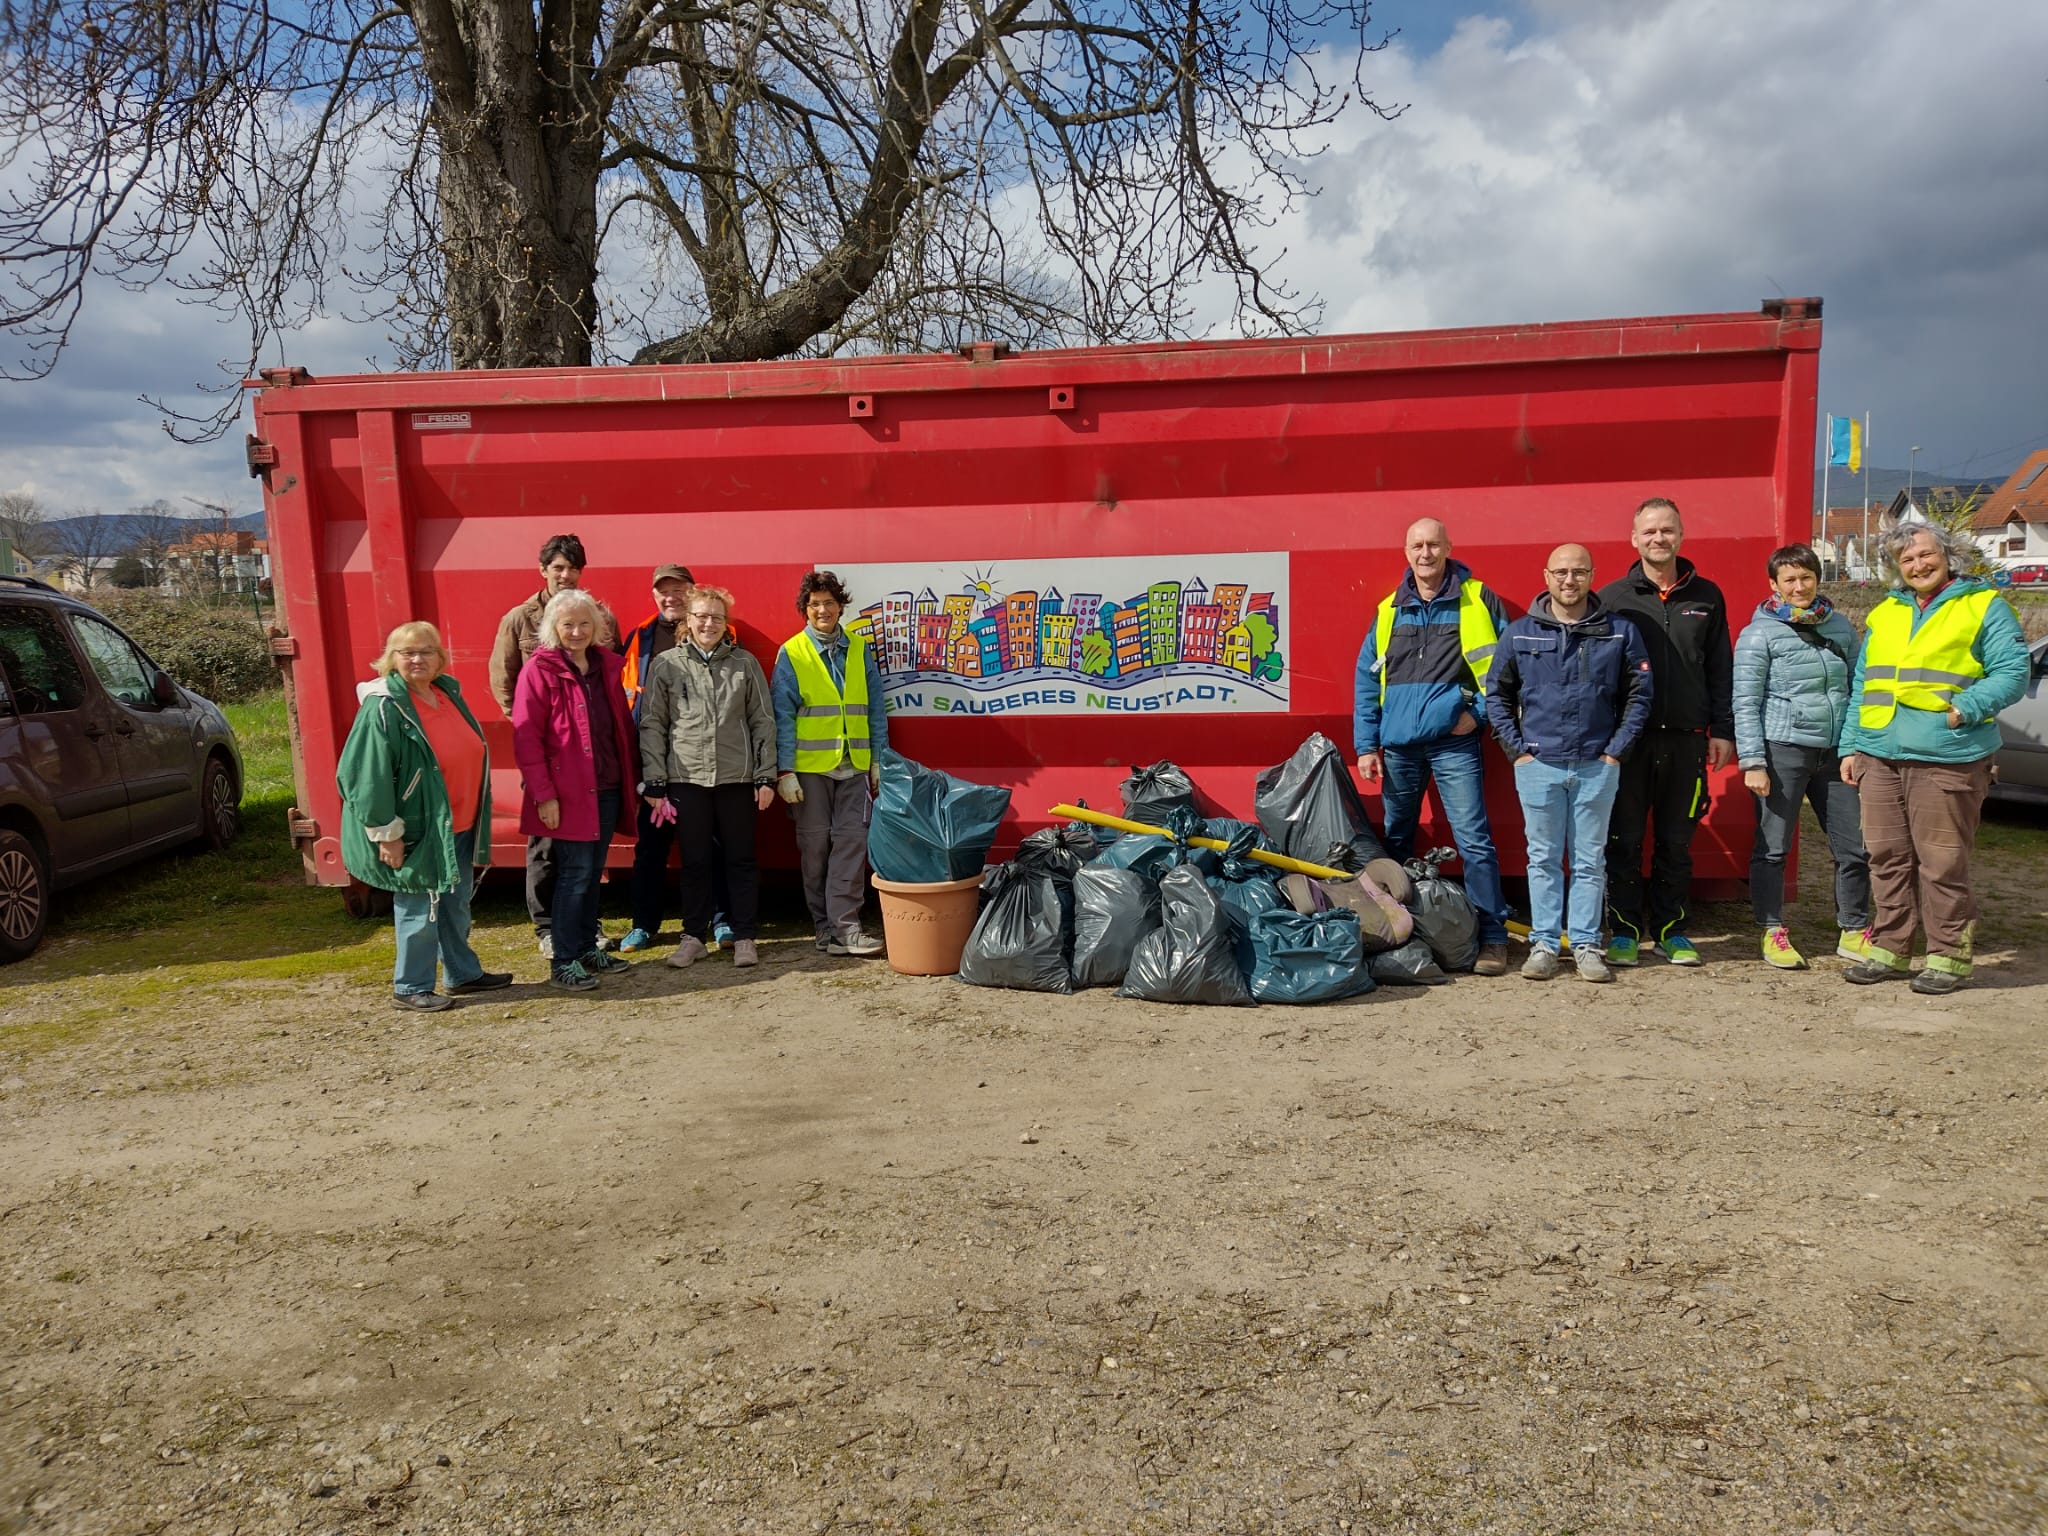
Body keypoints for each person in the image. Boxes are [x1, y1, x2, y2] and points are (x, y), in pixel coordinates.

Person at [1839, 522, 2029, 994]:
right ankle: (1890, 947)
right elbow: (1864, 683)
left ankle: (1948, 955)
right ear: (1896, 567)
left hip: (1948, 754)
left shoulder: (1983, 605)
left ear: (1948, 555)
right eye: (1907, 559)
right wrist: (1850, 745)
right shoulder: (1886, 612)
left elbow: (2013, 672)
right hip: (1879, 752)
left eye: (1926, 554)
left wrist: (1967, 707)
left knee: (1942, 863)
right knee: (1885, 856)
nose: (1918, 564)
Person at [1353, 517, 1513, 975]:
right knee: (1396, 843)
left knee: (1474, 841)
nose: (1426, 553)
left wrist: (1477, 716)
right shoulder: (1389, 610)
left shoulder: (1476, 598)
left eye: (1433, 545)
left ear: (1448, 548)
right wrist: (1367, 745)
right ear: (1406, 552)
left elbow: (1507, 670)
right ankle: (1399, 935)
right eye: (1417, 546)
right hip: (1399, 748)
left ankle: (1493, 939)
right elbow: (1367, 682)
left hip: (1453, 745)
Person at [1486, 544, 1653, 983]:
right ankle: (1543, 943)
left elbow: (1640, 696)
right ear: (1546, 576)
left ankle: (1584, 944)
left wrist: (1616, 750)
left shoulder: (1619, 632)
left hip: (1597, 765)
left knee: (1589, 860)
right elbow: (1496, 696)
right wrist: (1518, 752)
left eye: (1579, 572)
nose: (1569, 580)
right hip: (1539, 764)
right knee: (1541, 858)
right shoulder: (1520, 633)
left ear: (1592, 575)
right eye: (1560, 572)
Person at [337, 622, 511, 1011]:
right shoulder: (383, 707)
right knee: (420, 906)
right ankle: (411, 985)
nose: (417, 659)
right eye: (407, 652)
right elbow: (364, 776)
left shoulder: (445, 693)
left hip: (458, 822)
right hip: (419, 826)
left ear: (440, 659)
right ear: (391, 659)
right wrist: (387, 833)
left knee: (454, 902)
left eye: (426, 652)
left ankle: (462, 973)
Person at [1598, 497, 1734, 968]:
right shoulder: (1613, 598)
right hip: (1628, 743)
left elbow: (1721, 668)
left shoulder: (1707, 596)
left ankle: (1673, 930)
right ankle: (1624, 931)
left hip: (1687, 739)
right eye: (1649, 531)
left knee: (1677, 840)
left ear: (1681, 534)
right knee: (1624, 838)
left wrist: (1722, 730)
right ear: (1634, 538)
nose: (1659, 538)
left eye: (1667, 530)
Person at [1733, 543, 1873, 970]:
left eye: (1806, 577)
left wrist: (1852, 745)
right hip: (1783, 750)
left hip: (1834, 754)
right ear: (1774, 584)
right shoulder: (1759, 634)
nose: (1799, 586)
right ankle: (1772, 930)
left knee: (1855, 847)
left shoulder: (1841, 627)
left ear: (1818, 579)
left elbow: (1856, 687)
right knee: (1773, 847)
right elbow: (1745, 701)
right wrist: (1753, 761)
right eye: (1789, 580)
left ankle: (1854, 929)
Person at [488, 534, 621, 961]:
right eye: (558, 567)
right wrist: (546, 738)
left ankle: (584, 938)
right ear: (543, 569)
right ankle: (550, 931)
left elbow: (606, 688)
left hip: (596, 768)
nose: (565, 575)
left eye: (572, 568)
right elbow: (507, 686)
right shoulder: (519, 620)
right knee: (549, 852)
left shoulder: (597, 616)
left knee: (587, 862)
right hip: (552, 762)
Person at [636, 585, 777, 969]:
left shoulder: (744, 664)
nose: (709, 623)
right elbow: (652, 725)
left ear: (725, 622)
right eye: (701, 616)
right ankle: (693, 937)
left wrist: (766, 777)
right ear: (688, 619)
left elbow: (763, 722)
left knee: (741, 860)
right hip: (686, 780)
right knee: (695, 862)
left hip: (737, 780)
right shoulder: (667, 665)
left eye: (717, 616)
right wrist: (655, 779)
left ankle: (745, 936)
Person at [511, 590, 637, 993]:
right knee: (574, 876)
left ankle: (586, 948)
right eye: (567, 625)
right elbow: (527, 738)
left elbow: (620, 727)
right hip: (566, 794)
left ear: (597, 627)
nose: (577, 631)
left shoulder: (605, 667)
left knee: (591, 873)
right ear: (553, 628)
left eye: (585, 624)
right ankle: (563, 960)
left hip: (606, 785)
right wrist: (543, 795)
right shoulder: (539, 670)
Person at [772, 570, 890, 957]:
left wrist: (877, 760)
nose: (822, 610)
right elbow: (782, 716)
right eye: (814, 604)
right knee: (815, 847)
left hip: (855, 765)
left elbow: (875, 709)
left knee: (852, 844)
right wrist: (785, 770)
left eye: (829, 603)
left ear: (840, 606)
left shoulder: (859, 649)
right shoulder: (792, 652)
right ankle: (824, 927)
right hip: (810, 769)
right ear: (805, 610)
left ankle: (847, 927)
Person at [617, 563, 734, 954]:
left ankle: (721, 922)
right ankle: (643, 925)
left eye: (679, 589)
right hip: (656, 765)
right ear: (655, 596)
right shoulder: (640, 638)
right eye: (663, 591)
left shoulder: (723, 634)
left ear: (692, 592)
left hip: (705, 765)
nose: (671, 598)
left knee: (712, 846)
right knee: (651, 849)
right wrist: (645, 769)